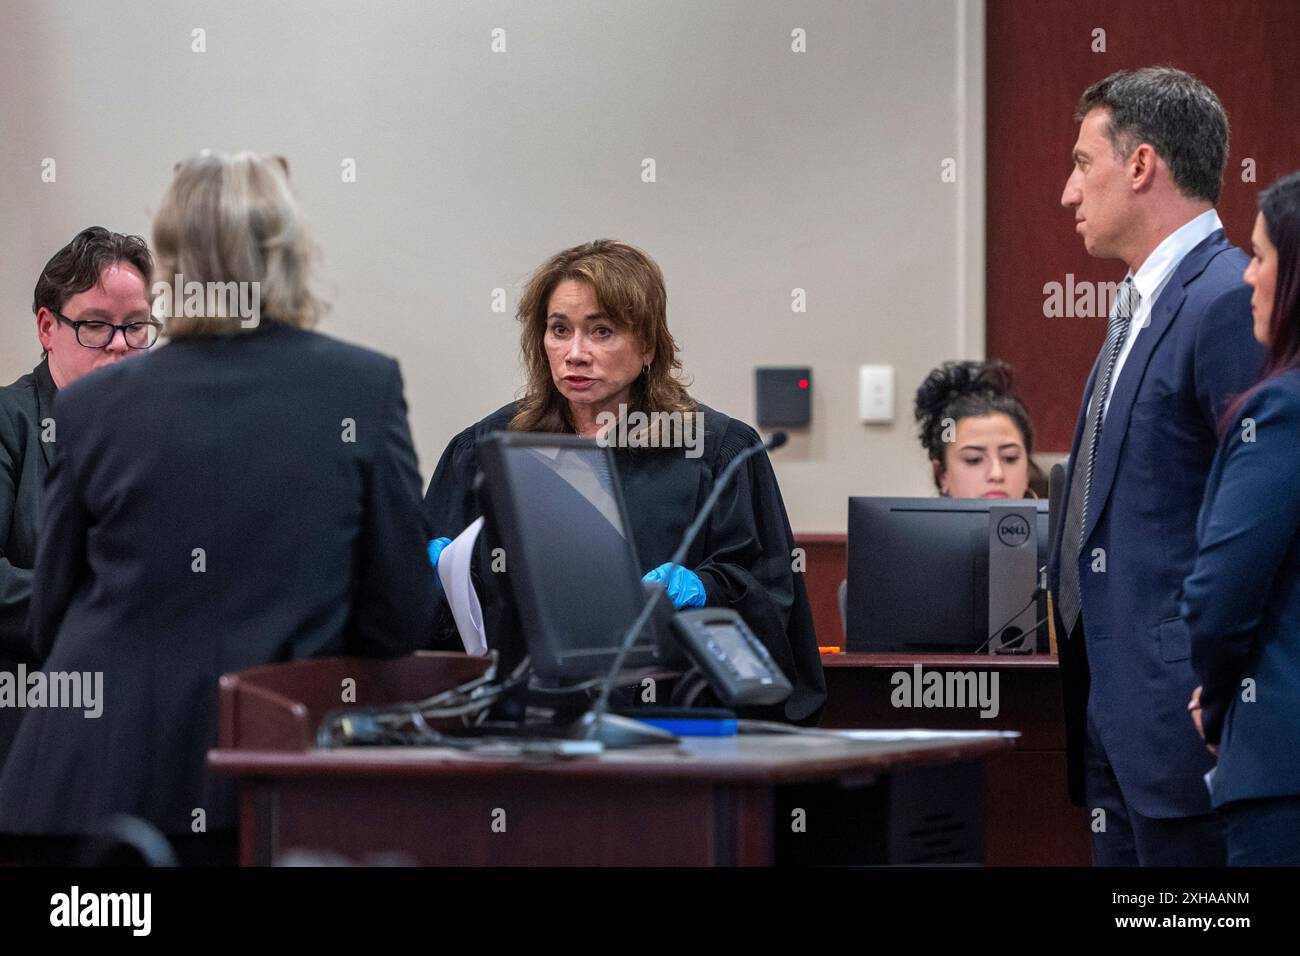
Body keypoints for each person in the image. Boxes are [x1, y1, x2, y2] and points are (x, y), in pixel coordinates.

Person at [0, 152, 438, 864]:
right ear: (294, 251)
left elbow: (54, 616)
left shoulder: (92, 406)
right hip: (270, 775)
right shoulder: (363, 387)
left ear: (172, 261)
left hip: (89, 782)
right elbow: (400, 613)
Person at [423, 239, 826, 724]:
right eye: (559, 330)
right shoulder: (488, 447)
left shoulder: (716, 449)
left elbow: (770, 598)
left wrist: (702, 588)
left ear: (649, 345)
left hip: (673, 725)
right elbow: (434, 627)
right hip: (518, 724)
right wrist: (427, 581)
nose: (575, 354)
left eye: (602, 331)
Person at [1048, 67, 1265, 866]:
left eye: (1081, 163)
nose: (1068, 193)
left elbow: (1267, 517)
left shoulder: (1225, 301)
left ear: (1140, 166)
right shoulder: (1138, 305)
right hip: (1118, 716)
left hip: (1192, 725)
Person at [0, 227, 156, 767]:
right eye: (95, 325)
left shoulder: (167, 440)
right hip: (28, 718)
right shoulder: (9, 422)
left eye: (136, 328)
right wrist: (101, 606)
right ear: (48, 327)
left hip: (143, 721)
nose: (119, 344)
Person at [1182, 171, 1300, 866]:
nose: (1248, 278)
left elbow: (1219, 597)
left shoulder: (1281, 411)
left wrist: (1218, 704)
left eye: (1259, 256)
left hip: (1282, 774)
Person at [913, 359, 1046, 499]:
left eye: (1010, 458)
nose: (997, 474)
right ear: (941, 475)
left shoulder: (1062, 520)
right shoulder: (903, 521)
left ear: (1027, 472)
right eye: (974, 460)